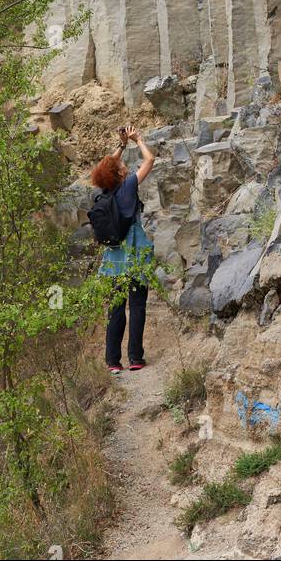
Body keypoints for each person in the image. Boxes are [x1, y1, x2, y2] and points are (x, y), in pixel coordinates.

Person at [92, 123, 155, 374]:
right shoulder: (128, 186)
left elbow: (103, 169)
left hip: (113, 259)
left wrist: (121, 146)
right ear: (119, 173)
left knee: (116, 307)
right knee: (137, 305)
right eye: (120, 166)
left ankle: (113, 362)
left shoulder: (102, 193)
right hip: (135, 254)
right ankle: (135, 358)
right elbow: (149, 160)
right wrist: (138, 140)